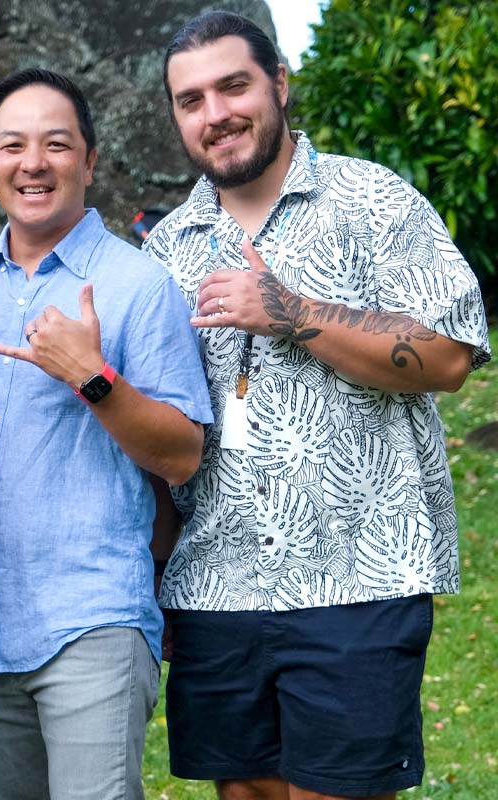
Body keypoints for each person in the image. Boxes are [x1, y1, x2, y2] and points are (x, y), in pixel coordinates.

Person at [144, 11, 492, 800]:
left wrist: (289, 312)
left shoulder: (371, 200)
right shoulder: (164, 248)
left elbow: (448, 354)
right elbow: (160, 434)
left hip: (357, 574)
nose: (216, 113)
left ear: (279, 83)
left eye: (234, 86)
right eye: (191, 99)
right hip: (215, 583)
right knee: (247, 795)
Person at [0, 67, 212, 800]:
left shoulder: (140, 285)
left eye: (57, 144)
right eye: (12, 145)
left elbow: (183, 452)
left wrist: (92, 377)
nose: (33, 162)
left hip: (92, 618)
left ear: (91, 159)